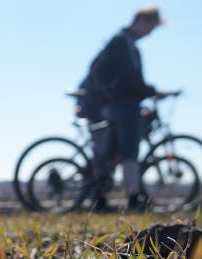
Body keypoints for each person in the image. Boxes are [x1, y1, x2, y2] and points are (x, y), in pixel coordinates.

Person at [81, 7, 167, 212]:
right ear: (141, 21)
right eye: (151, 28)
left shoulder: (121, 42)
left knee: (109, 151)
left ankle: (99, 197)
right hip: (123, 105)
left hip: (112, 103)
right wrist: (151, 91)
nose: (150, 33)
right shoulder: (124, 43)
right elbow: (130, 79)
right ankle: (133, 199)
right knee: (129, 151)